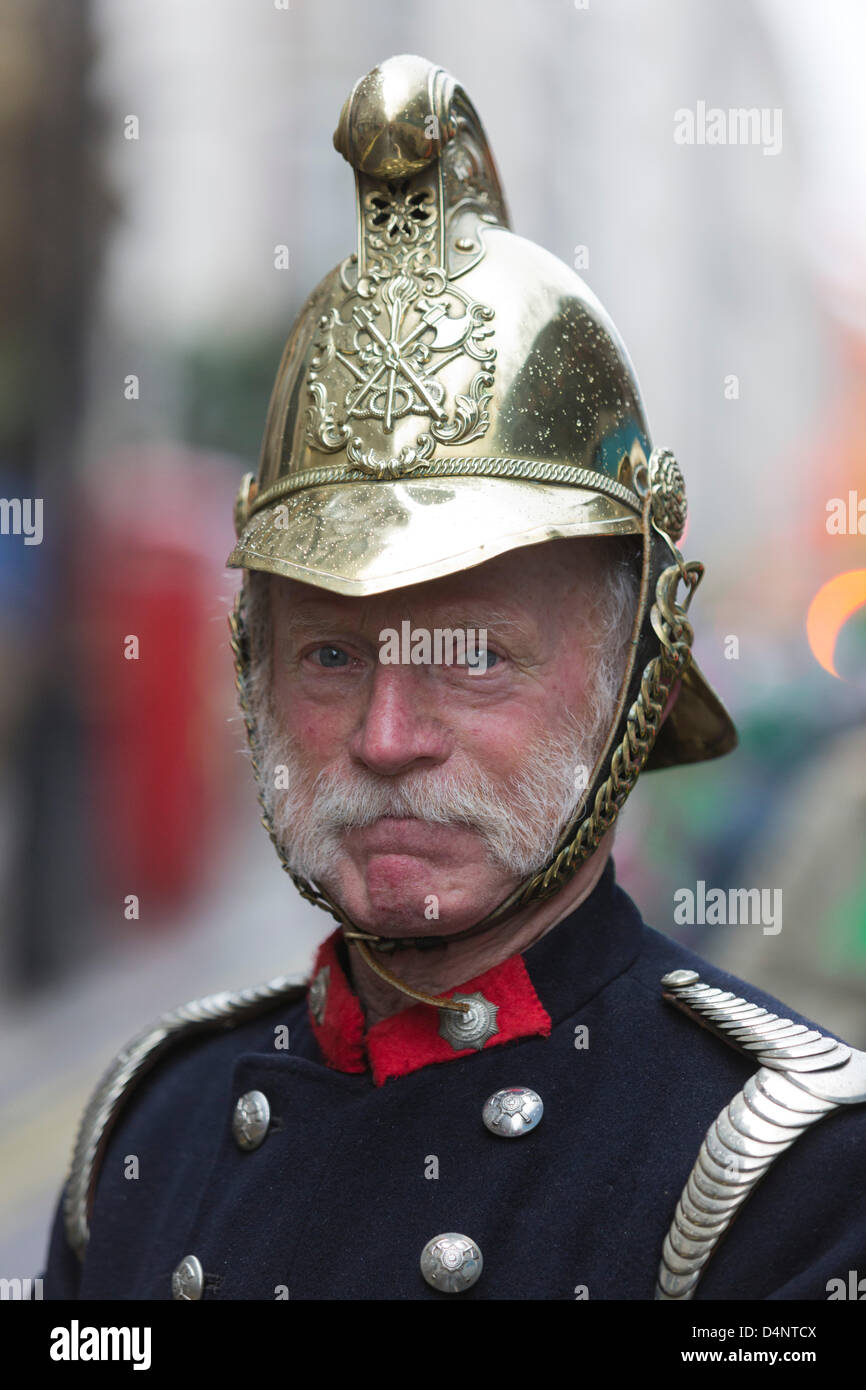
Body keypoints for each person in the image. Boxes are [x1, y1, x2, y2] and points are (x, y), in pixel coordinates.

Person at [42, 54, 866, 1302]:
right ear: (253, 669)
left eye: (472, 653)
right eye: (329, 652)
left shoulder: (789, 1177)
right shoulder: (146, 1133)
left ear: (633, 669)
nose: (384, 733)